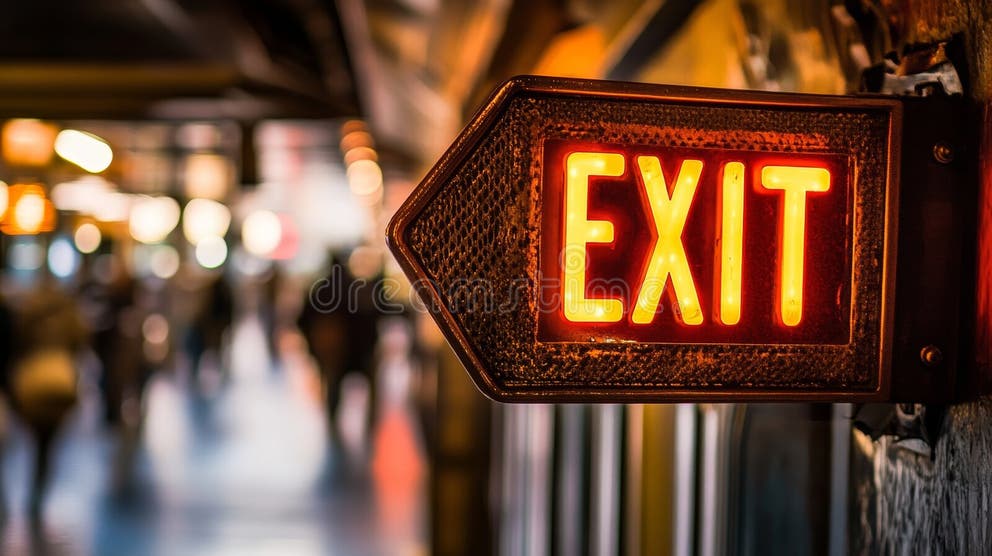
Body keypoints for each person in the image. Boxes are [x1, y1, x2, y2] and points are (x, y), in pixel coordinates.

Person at [6, 283, 88, 517]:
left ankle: (22, 495)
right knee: (46, 446)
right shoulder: (69, 314)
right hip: (59, 385)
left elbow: (16, 346)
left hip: (30, 385)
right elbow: (80, 344)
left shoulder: (28, 313)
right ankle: (37, 494)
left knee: (24, 442)